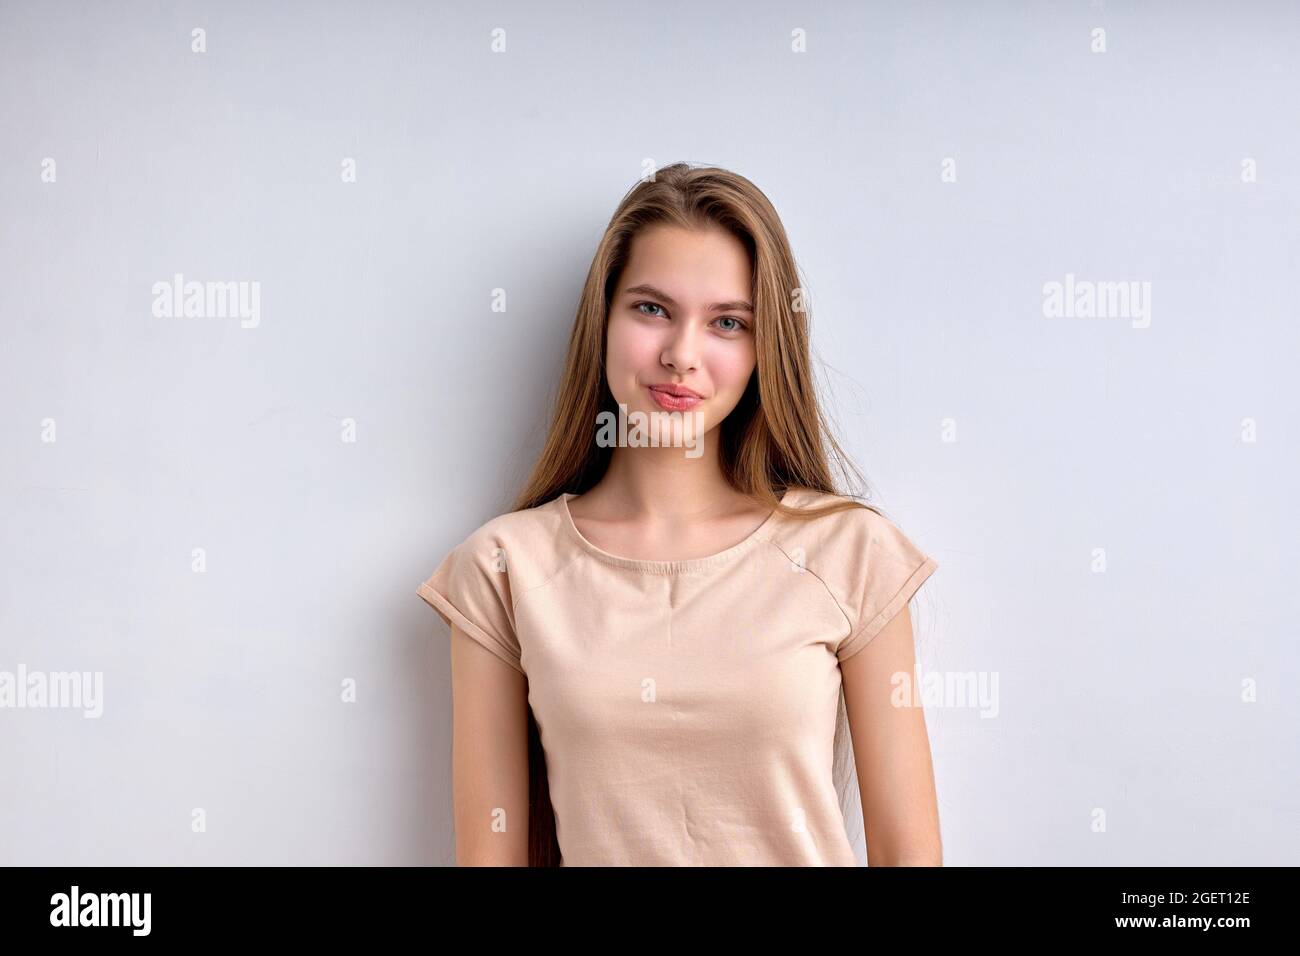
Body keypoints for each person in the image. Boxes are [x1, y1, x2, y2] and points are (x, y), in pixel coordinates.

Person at [417, 162, 942, 866]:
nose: (681, 355)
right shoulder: (504, 569)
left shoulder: (849, 551)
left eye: (727, 322)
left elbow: (909, 855)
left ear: (764, 350)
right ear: (602, 318)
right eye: (652, 309)